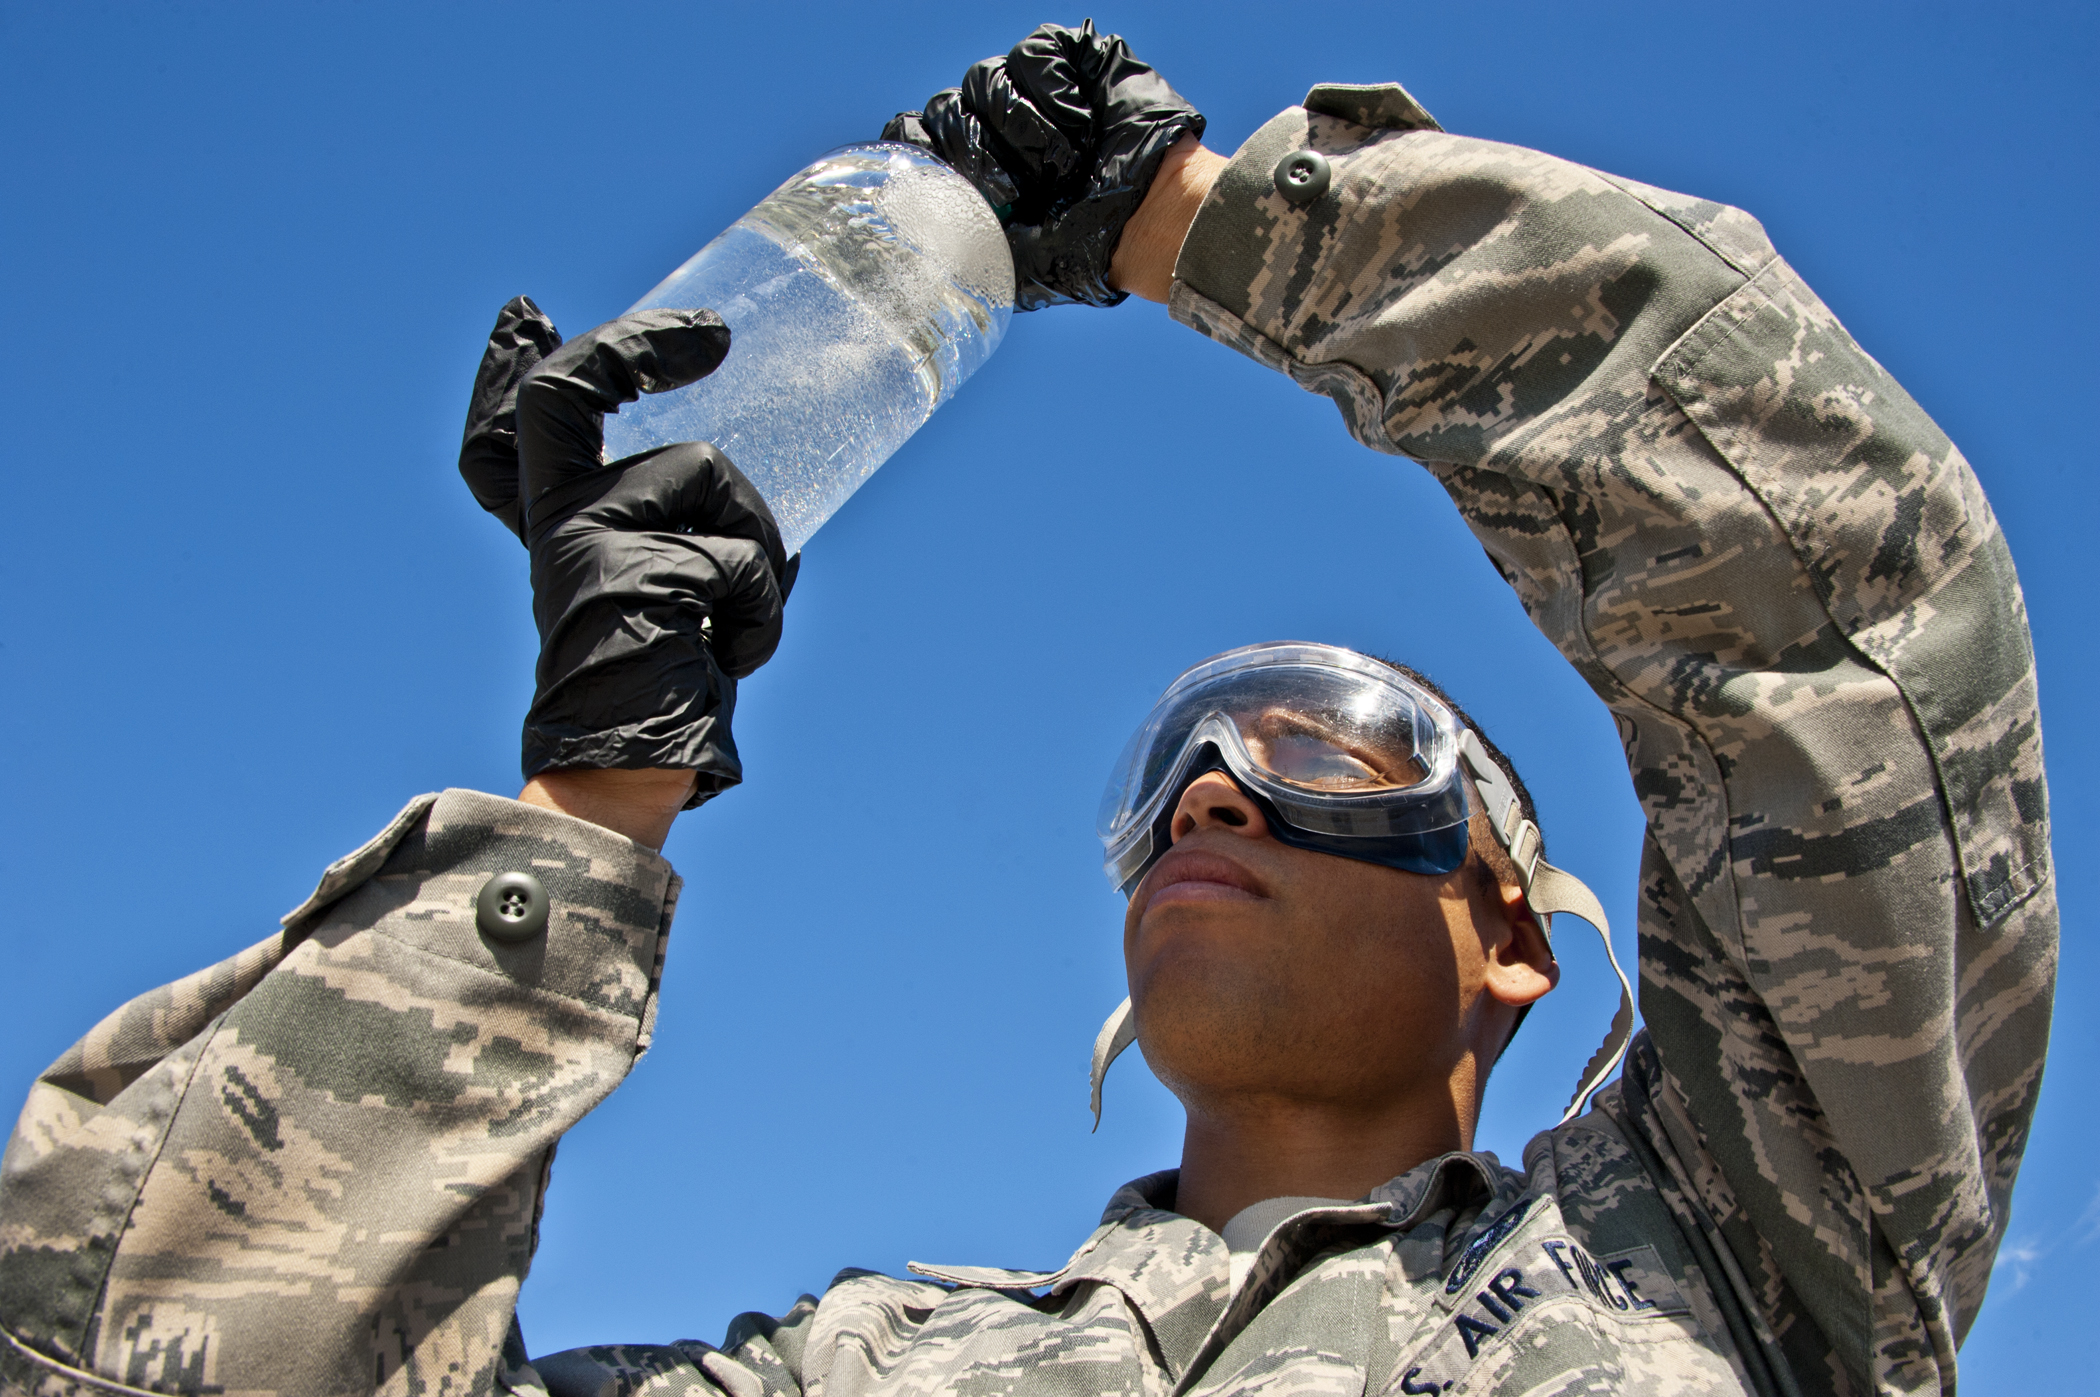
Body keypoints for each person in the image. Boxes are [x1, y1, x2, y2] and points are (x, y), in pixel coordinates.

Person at [0, 21, 2053, 1397]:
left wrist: (1191, 224)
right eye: (1171, 779)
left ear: (1513, 935)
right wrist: (587, 796)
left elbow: (1832, 596)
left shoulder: (1746, 1253)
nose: (1216, 801)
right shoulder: (862, 1372)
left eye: (1328, 743)